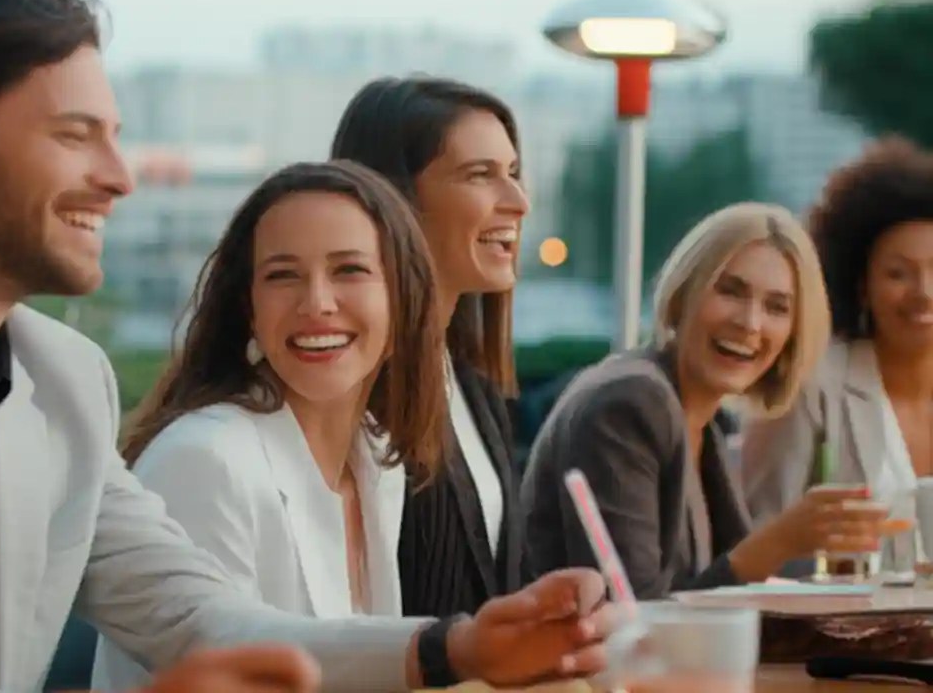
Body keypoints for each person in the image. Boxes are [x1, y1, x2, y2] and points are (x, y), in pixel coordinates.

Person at [0, 0, 616, 691]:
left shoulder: (67, 380)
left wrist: (454, 646)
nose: (120, 175)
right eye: (76, 135)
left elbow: (195, 619)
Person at [93, 160, 448, 687]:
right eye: (283, 276)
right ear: (250, 310)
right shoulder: (205, 459)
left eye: (349, 270)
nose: (317, 304)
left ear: (404, 300)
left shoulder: (374, 457)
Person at [520, 203, 888, 600]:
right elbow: (634, 616)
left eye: (776, 307)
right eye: (730, 291)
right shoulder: (631, 402)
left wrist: (827, 551)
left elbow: (714, 582)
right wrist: (778, 541)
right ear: (685, 292)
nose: (750, 323)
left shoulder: (703, 424)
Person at [330, 76, 527, 617]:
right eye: (480, 175)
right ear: (396, 198)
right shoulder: (349, 390)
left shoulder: (472, 387)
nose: (518, 201)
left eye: (512, 173)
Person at [743, 138, 933, 564]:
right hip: (834, 624)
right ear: (862, 285)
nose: (924, 293)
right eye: (898, 273)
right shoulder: (812, 382)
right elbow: (753, 542)